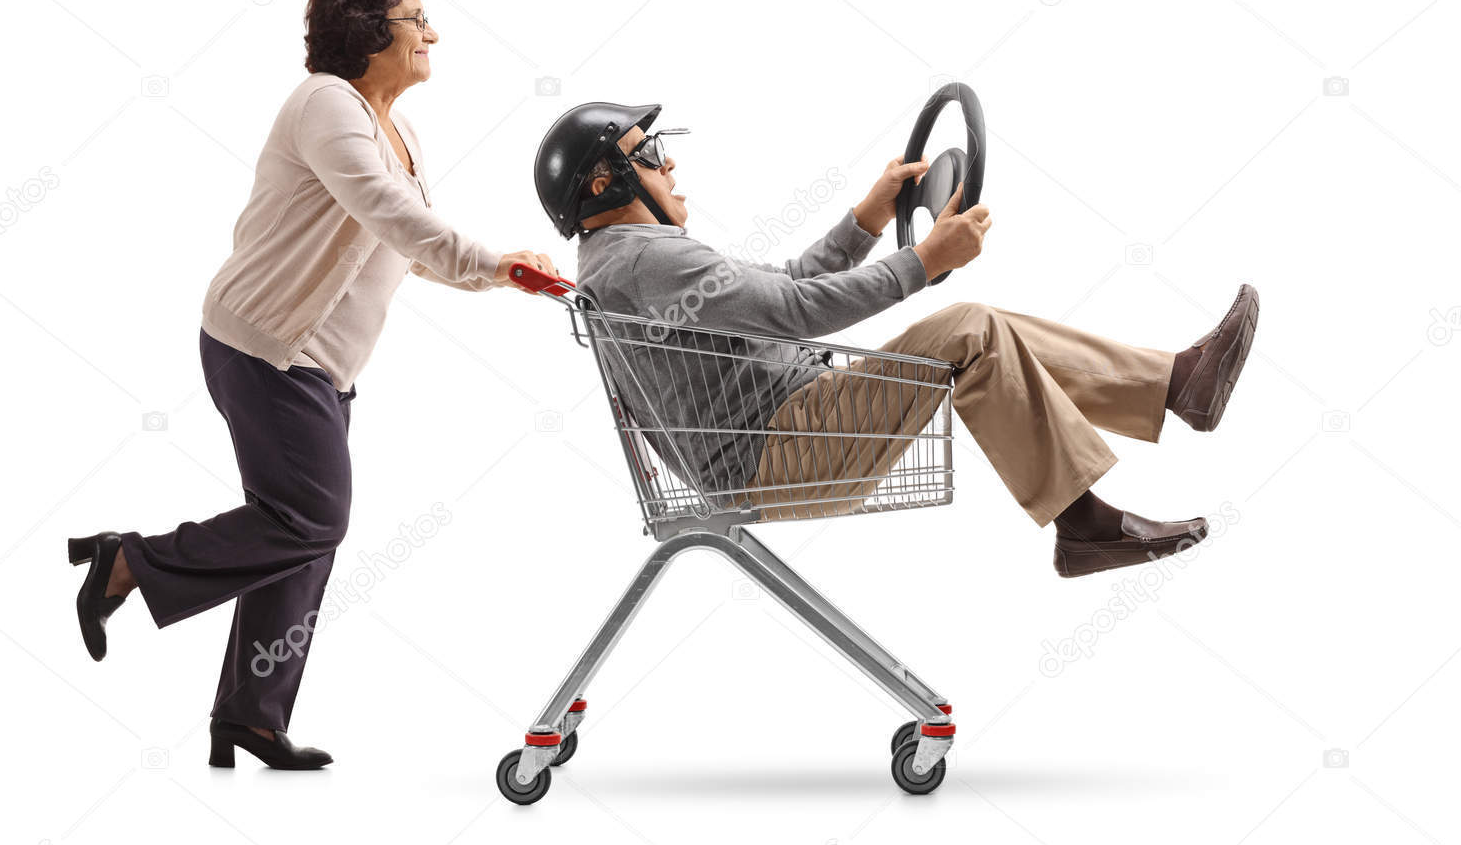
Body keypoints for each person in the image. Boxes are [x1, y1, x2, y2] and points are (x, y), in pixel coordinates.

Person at [67, 0, 559, 770]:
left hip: (322, 368)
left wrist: (501, 275)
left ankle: (251, 717)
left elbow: (413, 248)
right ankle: (127, 562)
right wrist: (496, 263)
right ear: (368, 32)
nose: (432, 31)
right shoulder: (327, 106)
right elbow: (391, 214)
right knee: (313, 519)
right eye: (415, 18)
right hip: (264, 347)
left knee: (303, 536)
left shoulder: (398, 129)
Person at [532, 102, 1258, 577]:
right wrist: (924, 262)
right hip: (778, 450)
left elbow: (782, 284)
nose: (671, 162)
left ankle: (1148, 429)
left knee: (980, 341)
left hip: (791, 423)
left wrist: (867, 219)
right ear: (606, 180)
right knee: (968, 327)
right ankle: (1141, 438)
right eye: (651, 150)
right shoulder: (648, 259)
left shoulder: (630, 257)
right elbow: (794, 310)